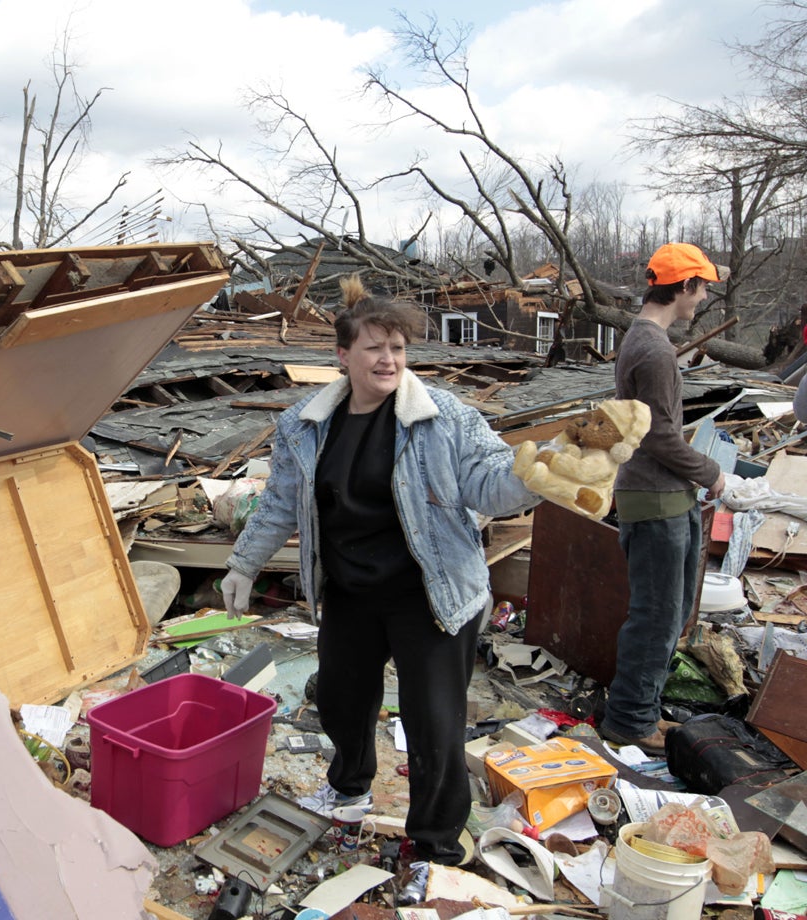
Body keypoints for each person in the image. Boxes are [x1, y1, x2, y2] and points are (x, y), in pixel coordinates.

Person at [220, 276, 538, 866]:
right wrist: (244, 564)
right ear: (343, 356)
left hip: (431, 593)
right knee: (341, 699)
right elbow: (281, 503)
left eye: (397, 347)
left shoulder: (444, 416)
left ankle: (436, 843)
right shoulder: (305, 425)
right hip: (350, 590)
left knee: (433, 726)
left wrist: (539, 475)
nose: (388, 359)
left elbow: (491, 484)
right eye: (374, 348)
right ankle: (349, 790)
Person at [599, 242, 726, 755]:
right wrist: (713, 473)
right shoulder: (652, 350)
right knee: (656, 615)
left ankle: (640, 710)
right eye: (702, 288)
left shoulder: (646, 341)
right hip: (655, 498)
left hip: (665, 496)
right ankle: (630, 721)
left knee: (667, 614)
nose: (703, 298)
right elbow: (658, 438)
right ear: (685, 286)